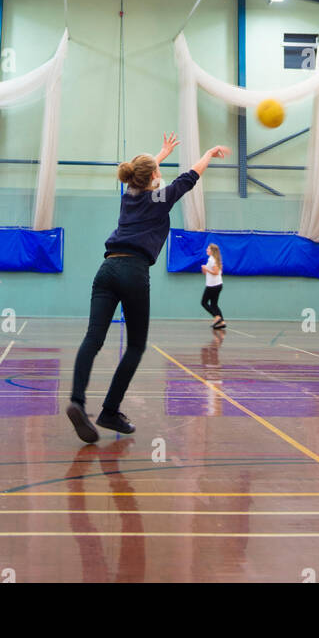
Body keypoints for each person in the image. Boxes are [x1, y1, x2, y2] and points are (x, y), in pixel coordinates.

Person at [67, 132, 230, 443]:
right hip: (133, 272)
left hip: (106, 270)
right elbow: (190, 176)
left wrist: (159, 155)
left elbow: (142, 174)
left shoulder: (128, 196)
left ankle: (76, 401)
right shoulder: (160, 198)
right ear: (154, 177)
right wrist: (209, 152)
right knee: (136, 346)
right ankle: (110, 411)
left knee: (93, 338)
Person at [200, 241, 225, 329]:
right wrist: (205, 270)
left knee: (204, 302)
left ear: (212, 250)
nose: (207, 250)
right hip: (217, 285)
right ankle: (222, 322)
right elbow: (212, 272)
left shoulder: (212, 260)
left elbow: (215, 272)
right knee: (214, 304)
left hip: (212, 286)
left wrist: (206, 269)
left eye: (208, 248)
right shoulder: (213, 259)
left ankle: (217, 317)